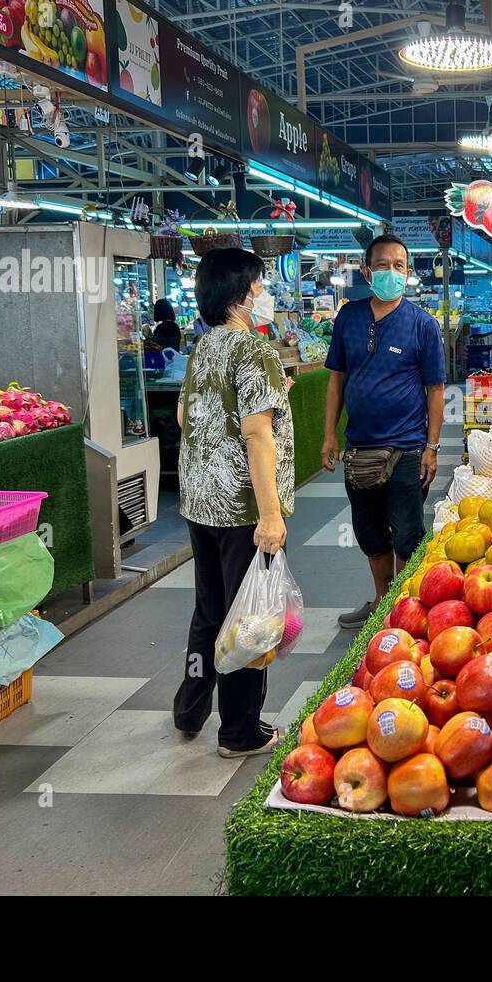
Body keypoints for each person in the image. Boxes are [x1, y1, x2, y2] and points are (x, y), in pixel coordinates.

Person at [174, 248, 295, 758]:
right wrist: (269, 514)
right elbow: (256, 434)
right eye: (262, 286)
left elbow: (185, 416)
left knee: (210, 608)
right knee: (250, 618)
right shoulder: (255, 351)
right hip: (244, 506)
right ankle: (240, 731)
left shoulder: (205, 348)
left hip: (200, 500)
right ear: (243, 294)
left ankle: (191, 705)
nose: (265, 294)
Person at [323, 234, 445, 630]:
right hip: (360, 448)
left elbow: (436, 389)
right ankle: (381, 601)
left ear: (408, 274)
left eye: (398, 265)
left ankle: (403, 610)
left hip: (408, 447)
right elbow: (336, 379)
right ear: (366, 270)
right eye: (382, 264)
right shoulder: (349, 317)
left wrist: (432, 446)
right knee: (370, 533)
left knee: (408, 533)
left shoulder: (423, 325)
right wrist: (329, 434)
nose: (391, 271)